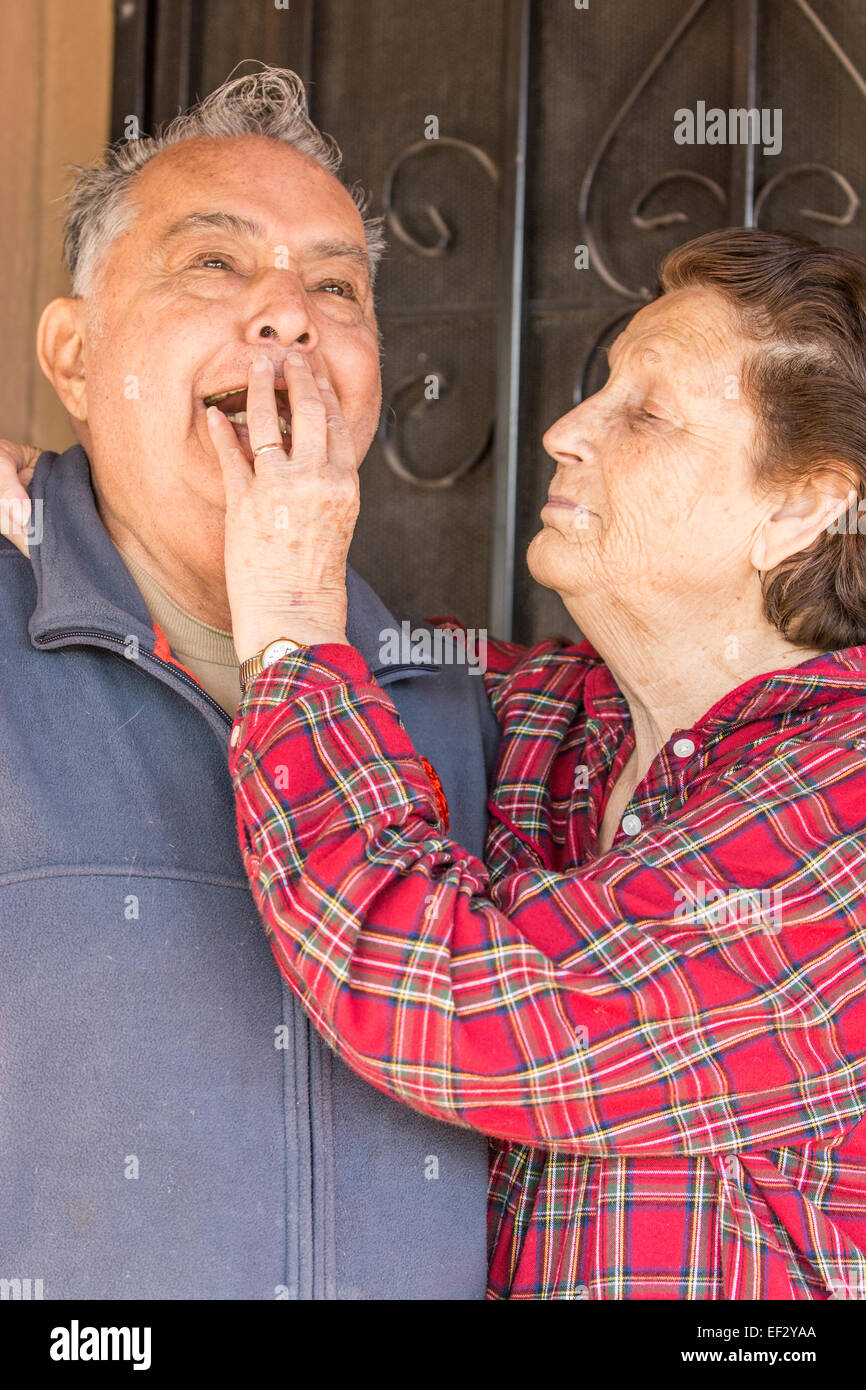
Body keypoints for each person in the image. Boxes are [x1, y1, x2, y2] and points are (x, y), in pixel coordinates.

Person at [199, 226, 866, 1300]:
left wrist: (284, 610)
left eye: (642, 413)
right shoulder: (556, 714)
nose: (562, 430)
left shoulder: (844, 807)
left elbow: (461, 1002)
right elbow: (330, 680)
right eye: (599, 391)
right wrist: (68, 511)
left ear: (798, 506)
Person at [0, 67, 498, 1300]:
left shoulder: (466, 709)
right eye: (213, 264)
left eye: (335, 287)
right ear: (74, 352)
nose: (288, 315)